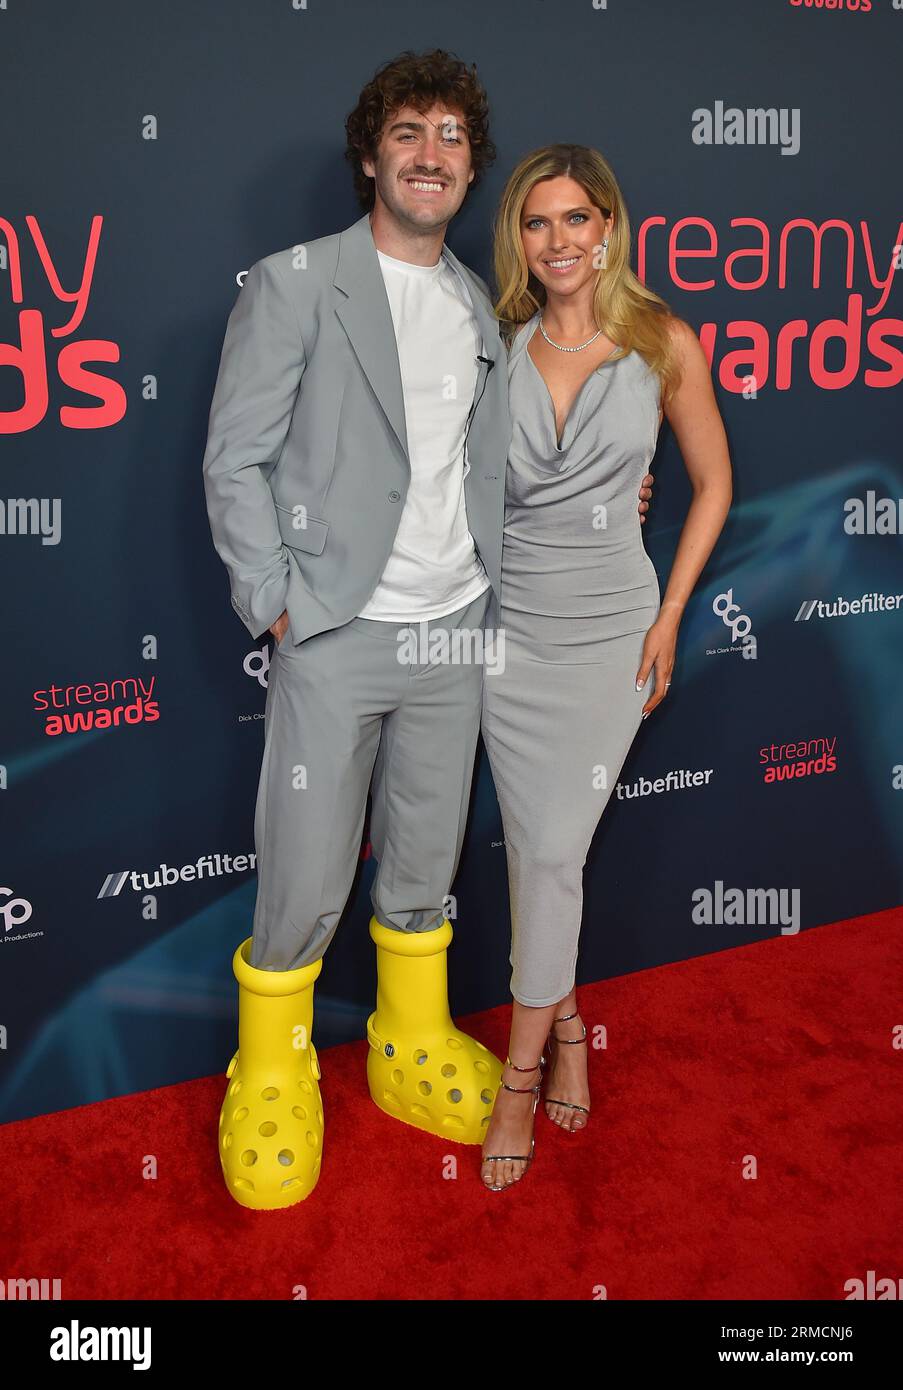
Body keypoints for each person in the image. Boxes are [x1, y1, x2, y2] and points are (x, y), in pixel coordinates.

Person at [202, 52, 654, 1211]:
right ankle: (270, 1069)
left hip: (460, 627)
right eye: (410, 131)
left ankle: (408, 1043)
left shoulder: (478, 304)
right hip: (336, 630)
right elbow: (234, 458)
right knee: (304, 865)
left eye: (453, 135)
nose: (431, 153)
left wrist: (621, 487)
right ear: (372, 154)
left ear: (468, 167)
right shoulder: (296, 282)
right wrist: (276, 598)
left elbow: (515, 455)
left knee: (424, 858)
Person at [478, 145, 733, 1191]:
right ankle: (571, 1023)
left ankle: (521, 1075)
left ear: (611, 226)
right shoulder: (495, 345)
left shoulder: (664, 341)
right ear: (520, 241)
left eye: (579, 218)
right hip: (509, 638)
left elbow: (714, 484)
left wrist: (670, 612)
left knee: (550, 854)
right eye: (539, 224)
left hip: (612, 636)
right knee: (539, 852)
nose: (560, 241)